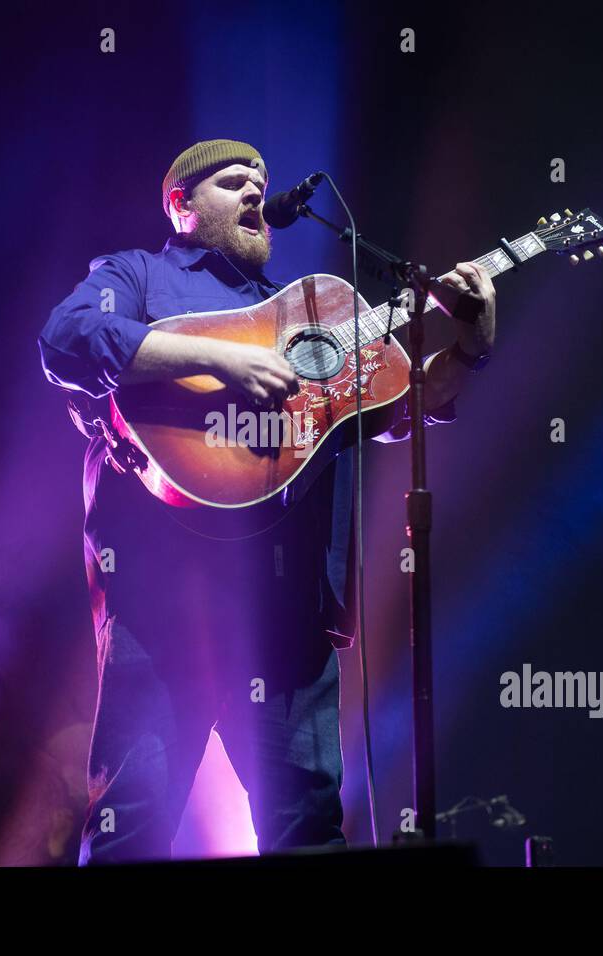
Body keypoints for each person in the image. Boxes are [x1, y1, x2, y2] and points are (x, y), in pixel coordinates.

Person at [38, 139, 495, 864]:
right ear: (180, 205)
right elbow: (68, 339)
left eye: (261, 182)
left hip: (291, 614)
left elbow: (412, 406)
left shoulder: (307, 311)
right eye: (231, 182)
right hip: (166, 607)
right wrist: (218, 357)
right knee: (136, 823)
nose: (256, 191)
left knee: (310, 831)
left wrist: (469, 346)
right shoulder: (138, 273)